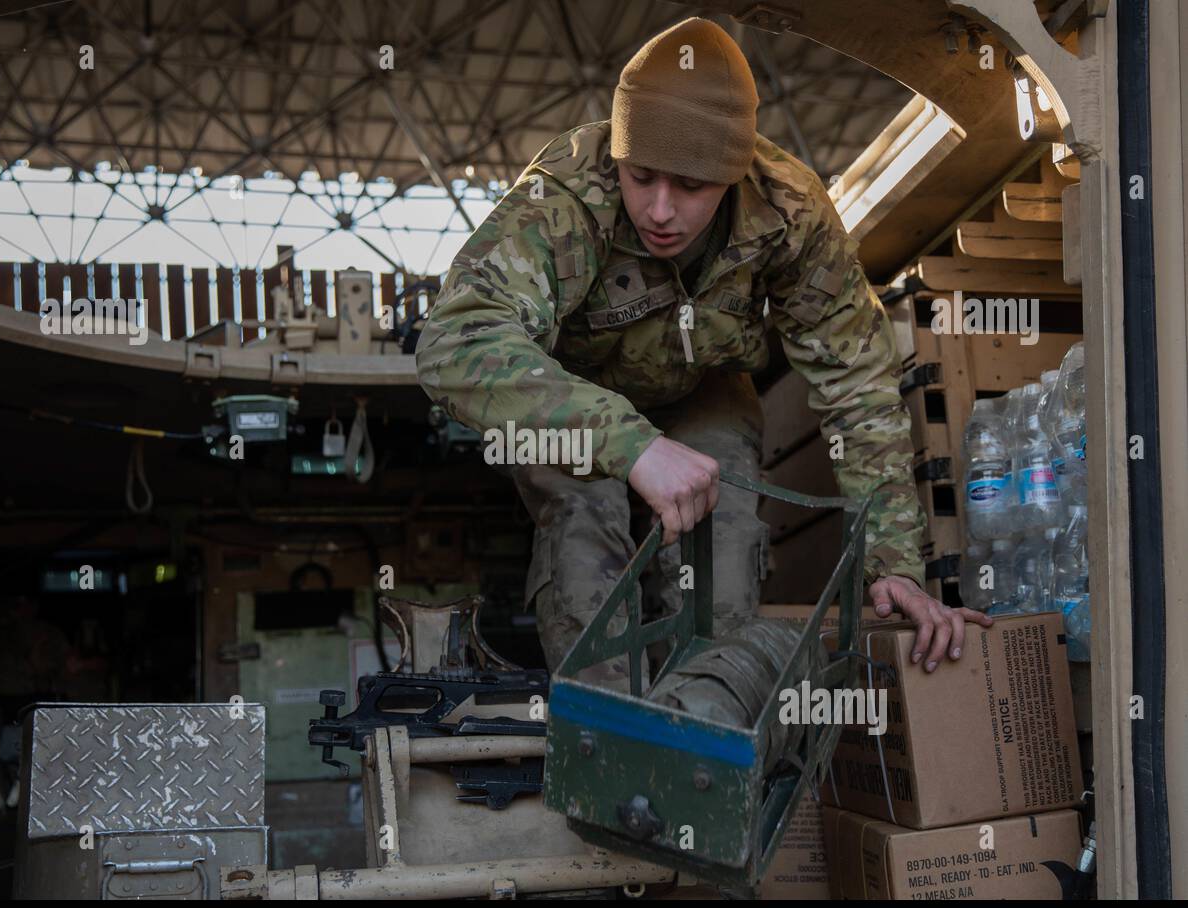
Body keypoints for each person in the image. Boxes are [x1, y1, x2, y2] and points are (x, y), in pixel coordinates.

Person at [416, 16, 990, 688]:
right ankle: (610, 751)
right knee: (585, 527)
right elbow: (455, 340)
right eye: (641, 177)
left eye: (690, 186)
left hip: (704, 387)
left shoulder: (789, 210)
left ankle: (708, 739)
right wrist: (631, 445)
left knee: (722, 560)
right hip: (572, 395)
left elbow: (857, 384)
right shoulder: (567, 193)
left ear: (734, 172)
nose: (660, 209)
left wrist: (896, 566)